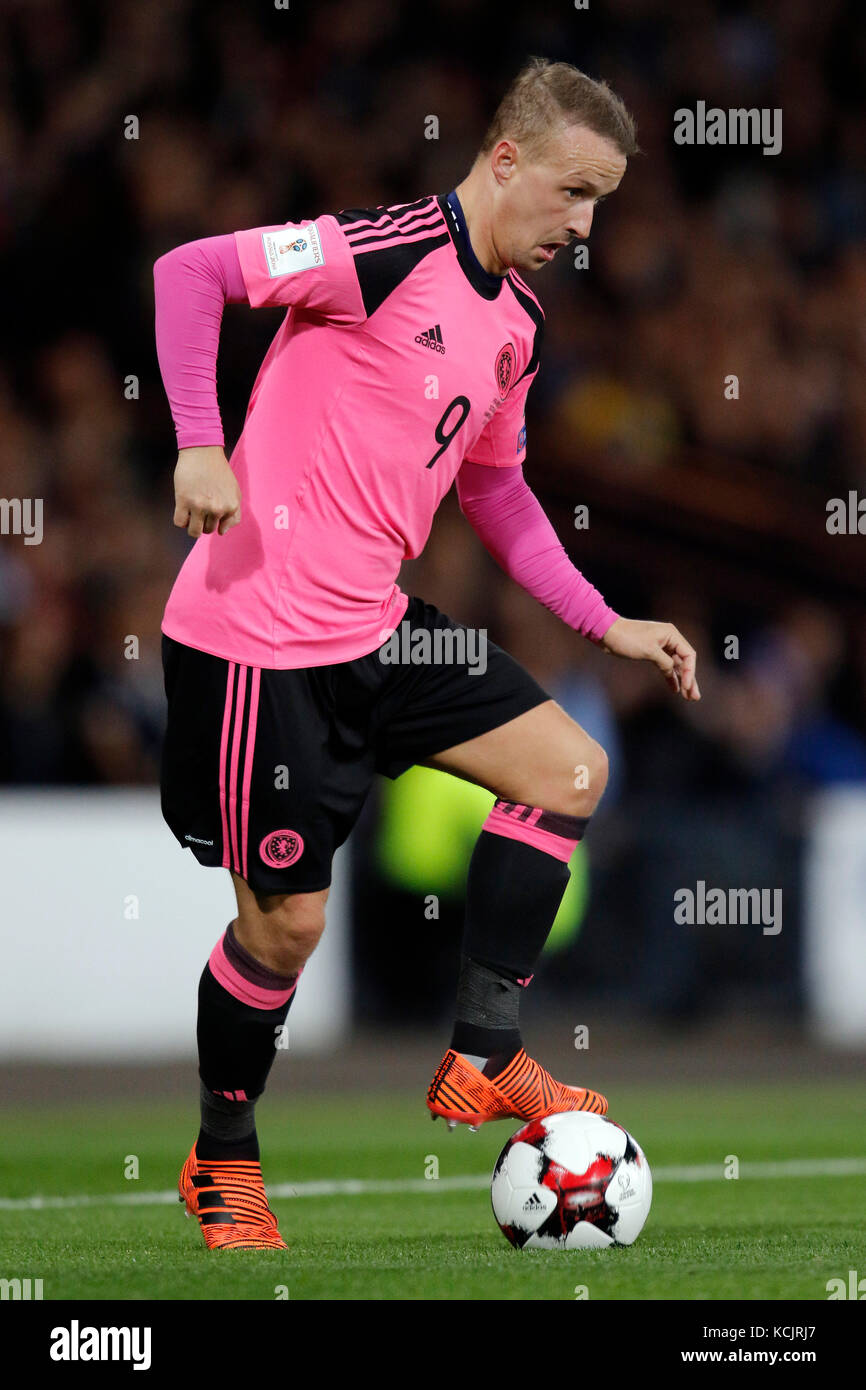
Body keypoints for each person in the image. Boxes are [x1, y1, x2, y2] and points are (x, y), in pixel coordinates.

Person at [153, 57, 699, 1252]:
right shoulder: (385, 249)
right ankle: (220, 1158)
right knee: (285, 931)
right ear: (502, 160)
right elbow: (189, 272)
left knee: (567, 769)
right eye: (569, 192)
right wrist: (201, 443)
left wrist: (604, 619)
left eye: (599, 201)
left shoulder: (517, 323)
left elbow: (496, 492)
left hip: (375, 625)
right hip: (261, 644)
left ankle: (483, 1052)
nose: (582, 224)